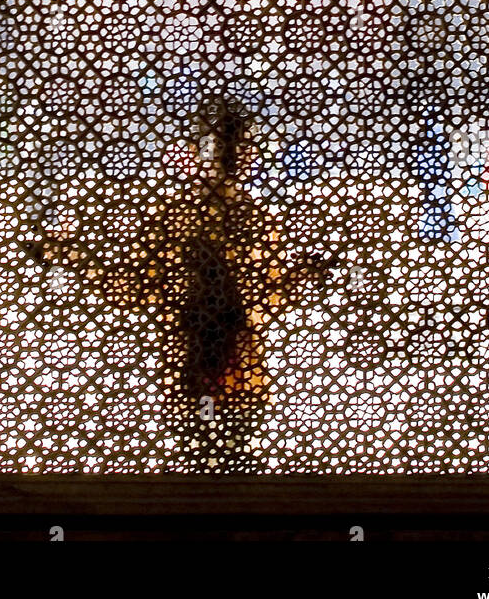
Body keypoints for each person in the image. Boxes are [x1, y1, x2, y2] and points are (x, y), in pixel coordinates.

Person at [24, 98, 336, 470]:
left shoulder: (198, 218)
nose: (226, 160)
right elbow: (267, 294)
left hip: (210, 369)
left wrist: (72, 260)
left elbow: (140, 288)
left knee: (207, 460)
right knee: (222, 459)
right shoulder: (230, 220)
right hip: (222, 370)